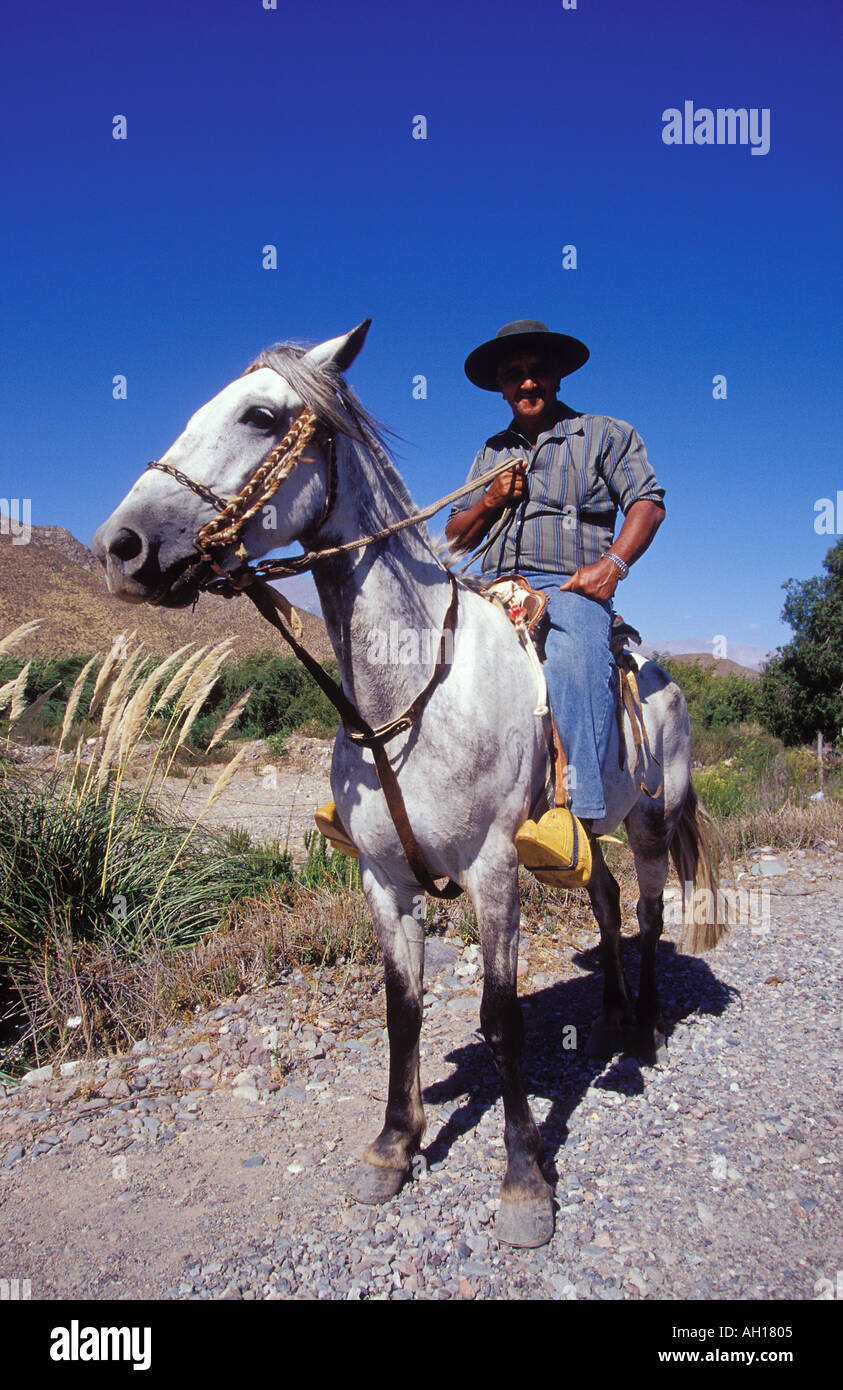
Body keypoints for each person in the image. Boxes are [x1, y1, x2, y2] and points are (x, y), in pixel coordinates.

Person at [445, 319, 666, 882]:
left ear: (558, 375)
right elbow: (455, 535)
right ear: (500, 386)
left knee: (573, 651)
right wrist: (490, 499)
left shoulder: (604, 434)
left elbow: (648, 501)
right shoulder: (490, 453)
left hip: (567, 585)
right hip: (492, 586)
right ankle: (402, 809)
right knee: (422, 649)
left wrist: (612, 566)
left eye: (536, 370)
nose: (526, 382)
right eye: (513, 374)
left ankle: (579, 816)